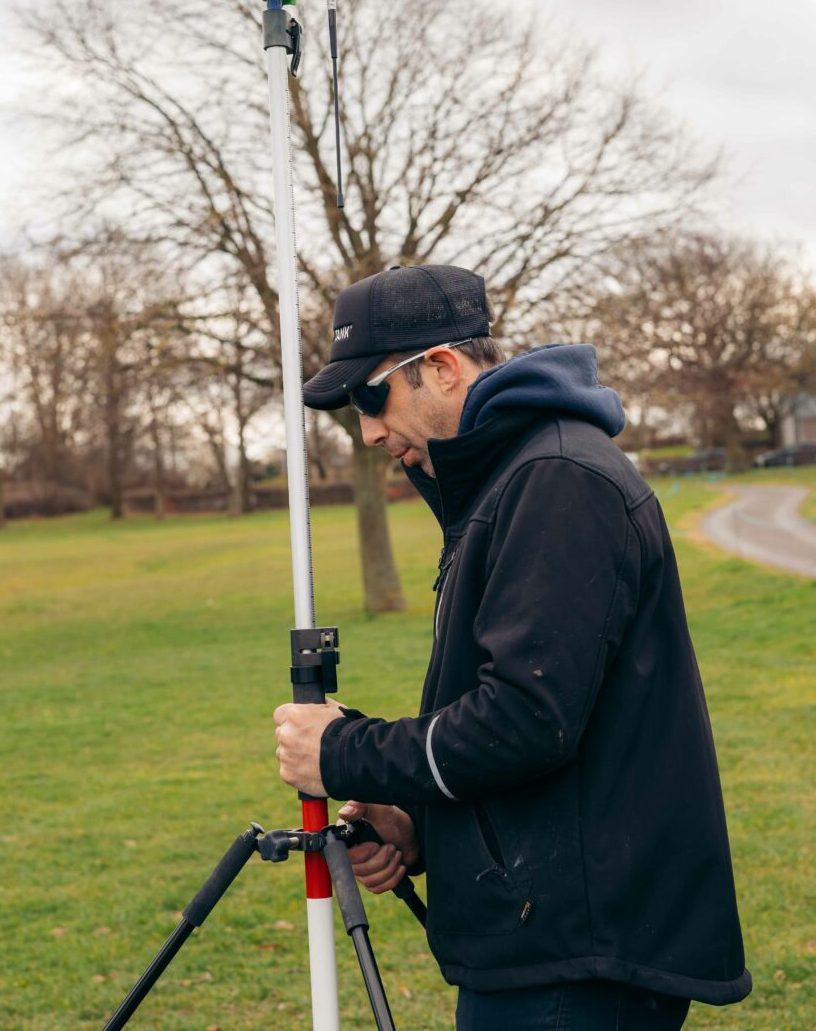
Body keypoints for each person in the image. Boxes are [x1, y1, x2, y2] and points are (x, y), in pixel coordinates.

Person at [273, 264, 750, 1030]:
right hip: (549, 932)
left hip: (578, 951)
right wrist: (411, 821)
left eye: (370, 397)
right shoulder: (507, 481)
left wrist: (343, 753)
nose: (365, 432)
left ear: (441, 367)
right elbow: (524, 712)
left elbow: (527, 720)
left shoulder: (556, 479)